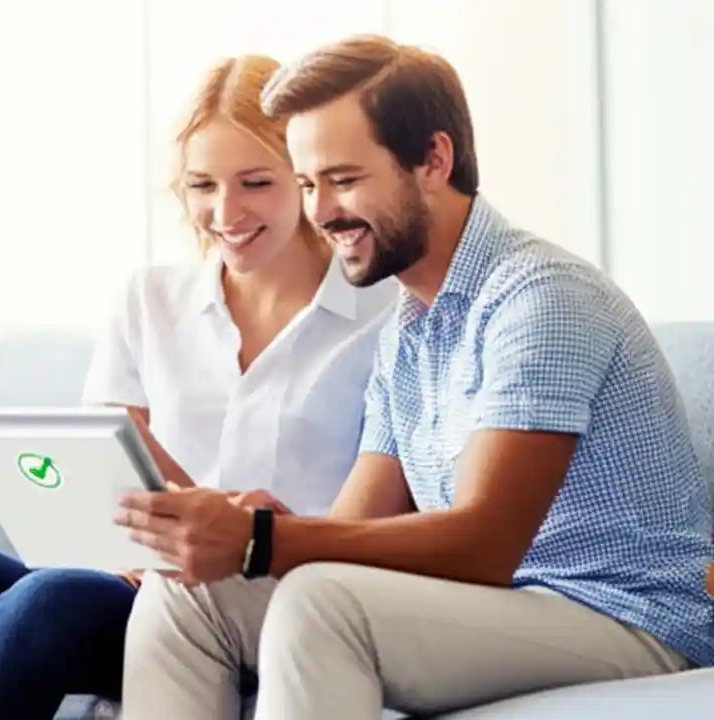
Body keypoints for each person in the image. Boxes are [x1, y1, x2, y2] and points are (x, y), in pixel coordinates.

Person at [115, 34, 714, 720]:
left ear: (433, 160)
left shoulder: (542, 295)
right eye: (308, 185)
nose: (320, 212)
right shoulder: (408, 327)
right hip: (500, 609)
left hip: (625, 614)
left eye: (343, 179)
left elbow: (486, 542)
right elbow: (351, 531)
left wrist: (258, 539)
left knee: (323, 606)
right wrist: (261, 525)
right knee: (186, 593)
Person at [0, 54, 396, 720]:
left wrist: (233, 530)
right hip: (129, 585)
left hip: (262, 599)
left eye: (255, 182)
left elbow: (373, 525)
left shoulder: (379, 317)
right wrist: (108, 533)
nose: (224, 211)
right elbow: (101, 470)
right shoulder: (151, 299)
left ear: (304, 177)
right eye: (201, 185)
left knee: (47, 600)